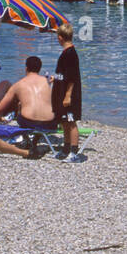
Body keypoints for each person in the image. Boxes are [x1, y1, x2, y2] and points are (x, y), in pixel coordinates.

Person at [49, 22, 86, 162]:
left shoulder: (70, 53)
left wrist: (68, 95)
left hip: (68, 94)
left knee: (71, 122)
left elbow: (72, 78)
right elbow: (64, 74)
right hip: (62, 92)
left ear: (60, 38)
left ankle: (74, 152)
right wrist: (56, 77)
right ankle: (65, 148)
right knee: (64, 121)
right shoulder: (66, 53)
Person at [0, 56, 59, 128]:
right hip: (51, 122)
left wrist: (0, 119)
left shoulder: (18, 85)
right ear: (39, 69)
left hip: (29, 122)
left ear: (26, 68)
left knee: (19, 104)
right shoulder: (48, 81)